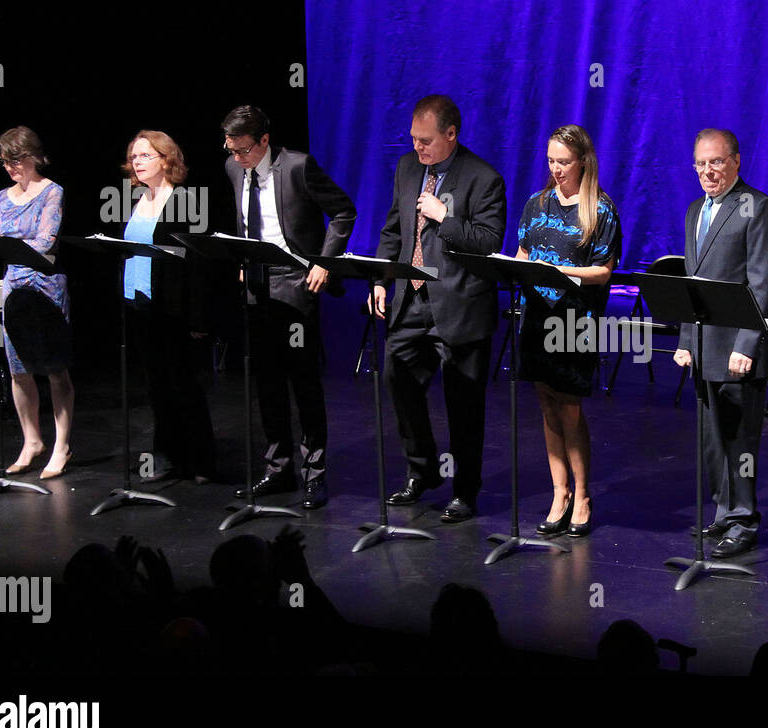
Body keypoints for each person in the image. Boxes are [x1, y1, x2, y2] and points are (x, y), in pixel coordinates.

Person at [370, 95, 507, 523]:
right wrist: (381, 278)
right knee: (397, 375)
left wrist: (445, 217)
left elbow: (489, 242)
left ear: (451, 134)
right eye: (413, 139)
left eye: (426, 140)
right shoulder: (408, 168)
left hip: (459, 304)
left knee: (463, 403)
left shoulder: (484, 178)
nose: (418, 148)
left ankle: (465, 491)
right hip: (411, 299)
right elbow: (395, 228)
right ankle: (423, 469)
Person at [222, 105, 356, 510]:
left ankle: (315, 473)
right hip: (258, 285)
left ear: (264, 141)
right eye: (231, 149)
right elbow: (247, 224)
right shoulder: (232, 169)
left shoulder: (297, 166)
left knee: (303, 381)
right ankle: (278, 468)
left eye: (244, 150)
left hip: (297, 282)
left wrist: (324, 262)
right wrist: (247, 263)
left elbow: (343, 211)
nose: (237, 158)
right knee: (267, 382)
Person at [673, 128, 768, 558]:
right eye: (700, 164)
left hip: (738, 351)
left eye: (716, 162)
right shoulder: (694, 211)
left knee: (739, 440)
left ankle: (743, 519)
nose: (707, 172)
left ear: (736, 161)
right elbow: (692, 282)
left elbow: (761, 283)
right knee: (712, 438)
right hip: (703, 346)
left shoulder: (758, 208)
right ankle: (723, 511)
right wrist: (686, 338)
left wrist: (746, 345)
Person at [513, 125, 620, 537]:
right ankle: (559, 493)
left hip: (574, 322)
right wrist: (515, 268)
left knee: (570, 408)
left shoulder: (600, 209)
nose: (556, 169)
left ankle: (583, 493)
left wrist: (560, 271)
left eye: (564, 162)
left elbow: (603, 272)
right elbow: (523, 253)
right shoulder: (537, 204)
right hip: (536, 318)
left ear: (583, 162)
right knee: (546, 404)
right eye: (551, 161)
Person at [119, 129, 216, 483]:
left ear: (166, 159)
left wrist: (198, 318)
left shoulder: (185, 201)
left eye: (145, 155)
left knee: (185, 385)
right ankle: (167, 455)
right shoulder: (137, 200)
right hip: (140, 304)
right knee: (156, 386)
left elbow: (199, 266)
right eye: (134, 156)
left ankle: (201, 460)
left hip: (174, 309)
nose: (137, 162)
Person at [0, 126, 73, 480]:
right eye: (5, 162)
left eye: (15, 160)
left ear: (34, 156)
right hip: (14, 287)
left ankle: (61, 445)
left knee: (54, 368)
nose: (10, 168)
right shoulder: (1, 198)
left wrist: (5, 247)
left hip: (46, 287)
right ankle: (32, 441)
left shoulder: (52, 192)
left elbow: (46, 240)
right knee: (18, 369)